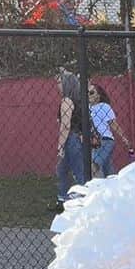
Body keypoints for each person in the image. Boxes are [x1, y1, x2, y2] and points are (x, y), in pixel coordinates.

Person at [88, 82, 134, 177]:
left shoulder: (104, 106)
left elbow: (112, 123)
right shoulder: (87, 108)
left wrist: (123, 138)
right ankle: (114, 186)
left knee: (95, 165)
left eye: (92, 92)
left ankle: (100, 188)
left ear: (99, 95)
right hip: (93, 142)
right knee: (108, 169)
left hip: (105, 140)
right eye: (87, 92)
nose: (88, 95)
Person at [56, 69, 87, 204]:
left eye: (60, 82)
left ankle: (83, 196)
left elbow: (65, 125)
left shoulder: (67, 101)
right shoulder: (79, 101)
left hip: (71, 138)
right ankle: (63, 197)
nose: (58, 86)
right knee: (62, 169)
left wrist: (60, 145)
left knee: (77, 170)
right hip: (78, 137)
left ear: (66, 84)